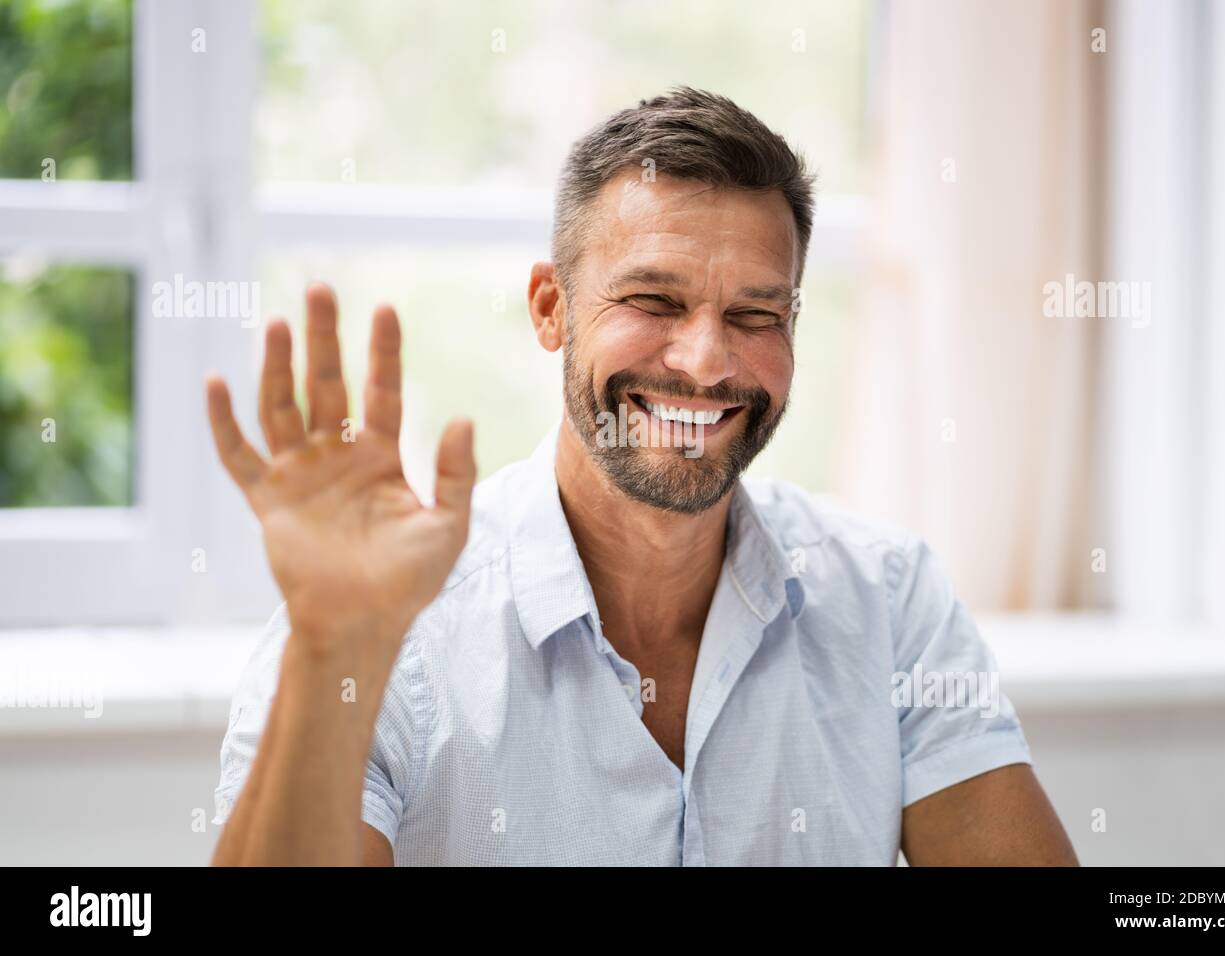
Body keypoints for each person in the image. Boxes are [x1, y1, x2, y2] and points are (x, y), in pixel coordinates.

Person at [208, 87, 1077, 866]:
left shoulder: (888, 599)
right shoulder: (378, 629)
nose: (705, 361)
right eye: (654, 302)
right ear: (552, 307)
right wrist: (332, 655)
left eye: (755, 314)